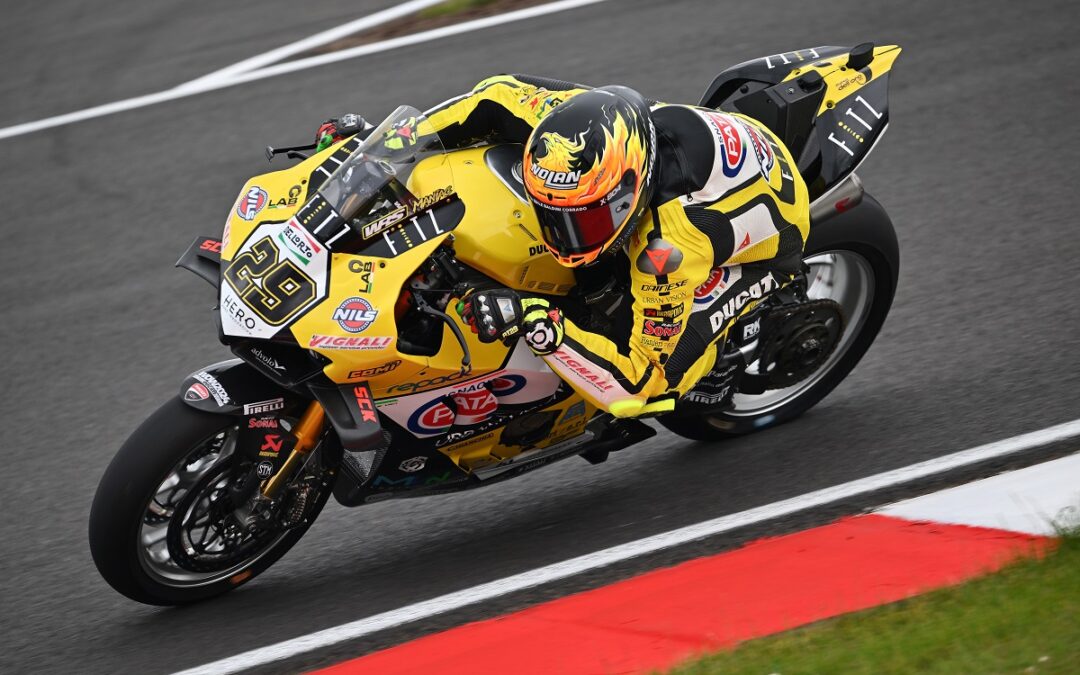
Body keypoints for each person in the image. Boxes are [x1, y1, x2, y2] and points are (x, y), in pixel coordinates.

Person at [317, 75, 809, 418]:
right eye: (554, 214)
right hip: (691, 153)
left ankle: (719, 369)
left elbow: (638, 383)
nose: (561, 235)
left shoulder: (668, 248)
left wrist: (535, 320)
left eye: (584, 219)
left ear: (628, 195)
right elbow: (492, 95)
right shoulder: (562, 123)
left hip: (761, 241)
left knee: (662, 383)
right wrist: (384, 149)